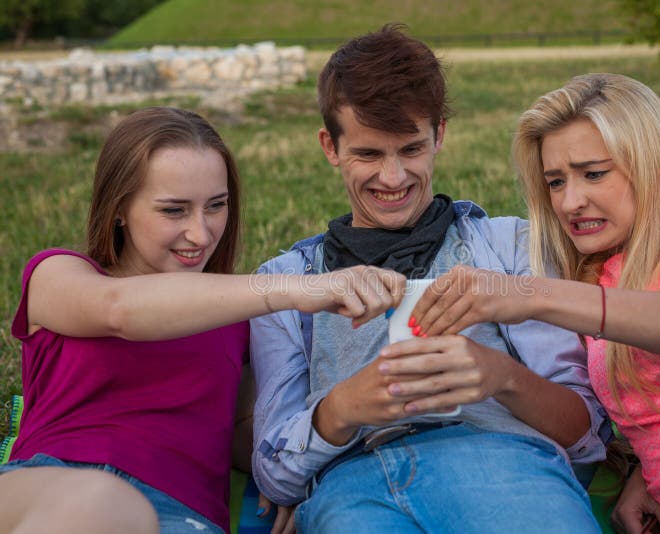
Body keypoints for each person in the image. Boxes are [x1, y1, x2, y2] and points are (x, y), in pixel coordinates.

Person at [249, 25, 609, 533]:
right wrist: (344, 407)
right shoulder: (288, 283)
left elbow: (586, 435)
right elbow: (273, 473)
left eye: (411, 150)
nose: (392, 178)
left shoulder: (508, 248)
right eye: (368, 155)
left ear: (439, 135)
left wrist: (499, 376)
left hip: (501, 463)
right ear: (330, 147)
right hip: (355, 484)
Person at [409, 73, 660, 534]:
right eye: (555, 182)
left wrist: (534, 295)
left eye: (594, 173)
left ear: (650, 163)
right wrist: (644, 465)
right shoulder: (586, 279)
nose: (571, 201)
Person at [0, 106, 404, 534]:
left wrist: (293, 482)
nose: (202, 233)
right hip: (51, 489)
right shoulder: (58, 275)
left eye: (216, 205)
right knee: (99, 502)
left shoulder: (237, 325)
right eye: (174, 210)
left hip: (182, 518)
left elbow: (259, 436)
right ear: (118, 209)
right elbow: (116, 309)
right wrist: (296, 288)